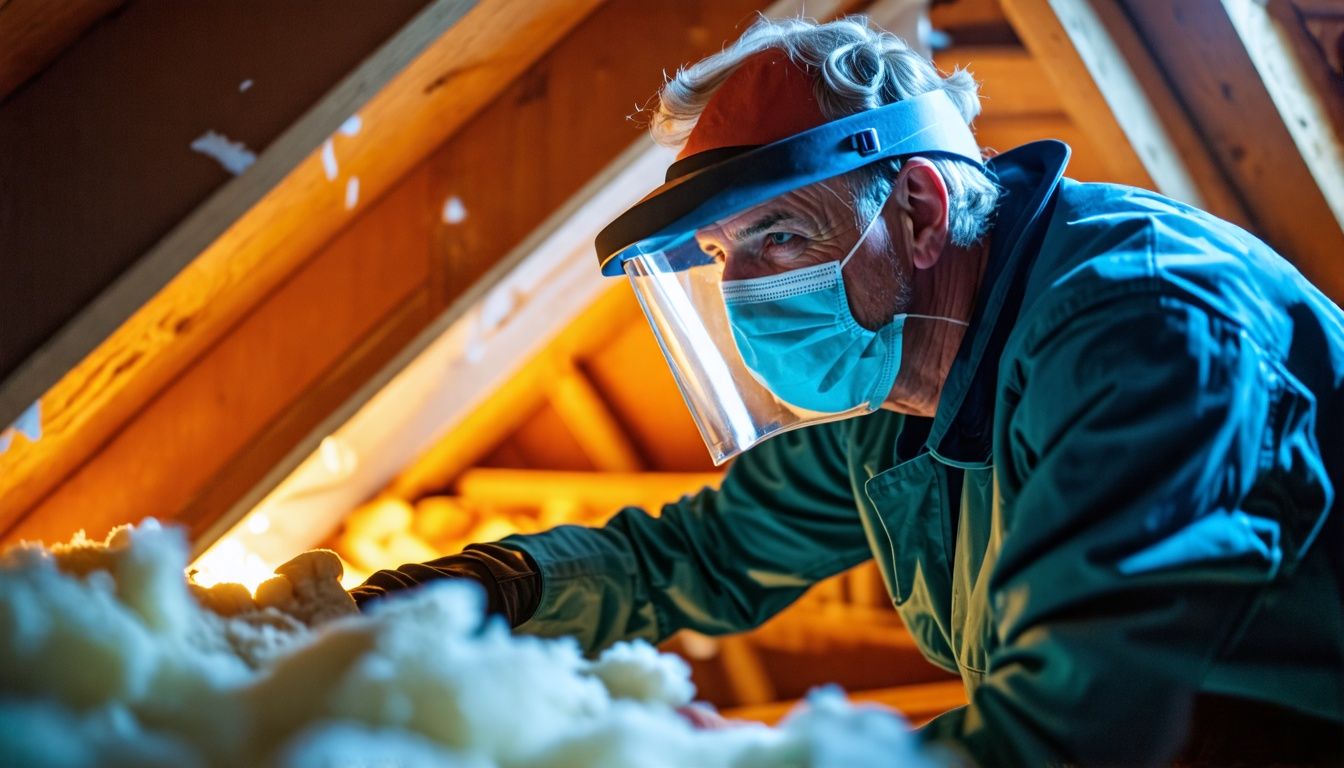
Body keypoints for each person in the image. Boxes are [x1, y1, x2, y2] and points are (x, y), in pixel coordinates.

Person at [350, 16, 1343, 766]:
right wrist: (481, 592)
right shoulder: (907, 384)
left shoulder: (1144, 333)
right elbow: (698, 553)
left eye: (780, 234)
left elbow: (1070, 731)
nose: (742, 291)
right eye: (721, 252)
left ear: (918, 208)